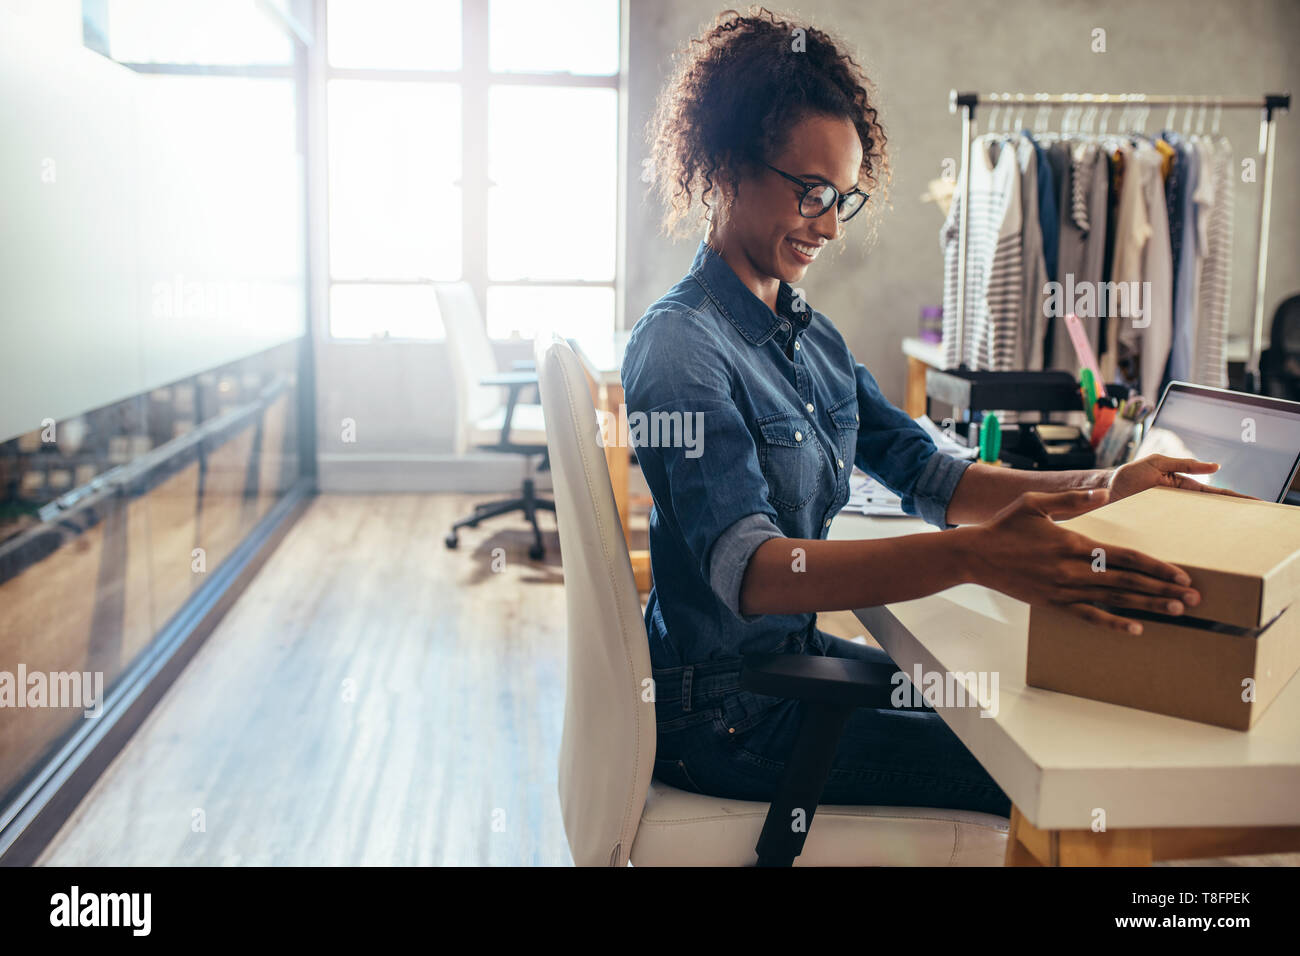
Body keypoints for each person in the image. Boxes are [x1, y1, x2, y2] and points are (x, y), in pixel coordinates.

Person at [620, 9, 1236, 816]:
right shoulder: (681, 350)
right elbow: (756, 575)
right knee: (1030, 771)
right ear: (729, 164)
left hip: (783, 672)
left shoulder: (804, 334)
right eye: (811, 193)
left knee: (1019, 714)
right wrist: (974, 557)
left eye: (844, 198)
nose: (831, 226)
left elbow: (925, 469)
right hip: (730, 718)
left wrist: (1109, 483)